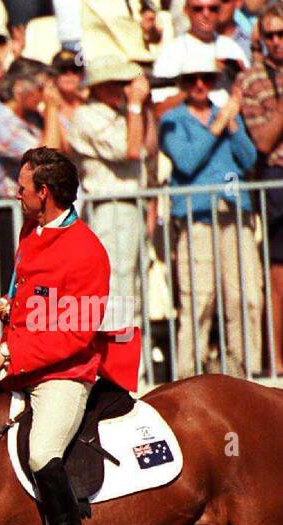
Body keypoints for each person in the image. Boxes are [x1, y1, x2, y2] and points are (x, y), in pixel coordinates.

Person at [0, 148, 111, 525]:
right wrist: (5, 308)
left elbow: (76, 331)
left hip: (64, 375)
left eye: (23, 186)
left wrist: (8, 352)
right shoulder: (32, 233)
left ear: (44, 193)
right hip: (21, 368)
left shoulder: (86, 249)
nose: (16, 192)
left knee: (42, 452)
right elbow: (39, 304)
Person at [159, 48, 260, 378]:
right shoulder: (173, 120)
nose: (200, 84)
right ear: (184, 83)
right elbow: (186, 161)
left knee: (244, 296)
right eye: (192, 79)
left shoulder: (226, 112)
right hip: (196, 218)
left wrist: (234, 126)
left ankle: (246, 374)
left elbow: (248, 159)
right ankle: (188, 376)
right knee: (198, 301)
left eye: (206, 78)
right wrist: (218, 124)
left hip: (234, 213)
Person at [69, 56, 154, 336]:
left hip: (133, 205)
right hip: (108, 207)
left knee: (137, 283)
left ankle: (135, 363)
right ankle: (115, 363)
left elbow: (148, 148)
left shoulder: (124, 114)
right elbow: (128, 150)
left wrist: (144, 108)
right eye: (118, 83)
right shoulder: (86, 115)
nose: (124, 88)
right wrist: (134, 105)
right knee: (115, 284)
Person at [0, 59, 62, 299]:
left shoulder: (33, 118)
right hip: (3, 214)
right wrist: (53, 109)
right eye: (40, 89)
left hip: (27, 212)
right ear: (19, 88)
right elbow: (48, 159)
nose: (44, 96)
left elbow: (63, 148)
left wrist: (50, 113)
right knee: (9, 288)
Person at [241, 1, 283, 371]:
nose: (275, 41)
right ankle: (279, 361)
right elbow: (263, 142)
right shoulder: (252, 80)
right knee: (278, 272)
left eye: (281, 33)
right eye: (268, 35)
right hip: (275, 177)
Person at [151, 0, 250, 116]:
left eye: (212, 9)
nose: (206, 14)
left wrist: (236, 74)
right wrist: (195, 82)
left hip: (230, 123)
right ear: (186, 11)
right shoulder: (172, 52)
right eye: (198, 9)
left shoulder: (231, 47)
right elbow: (159, 109)